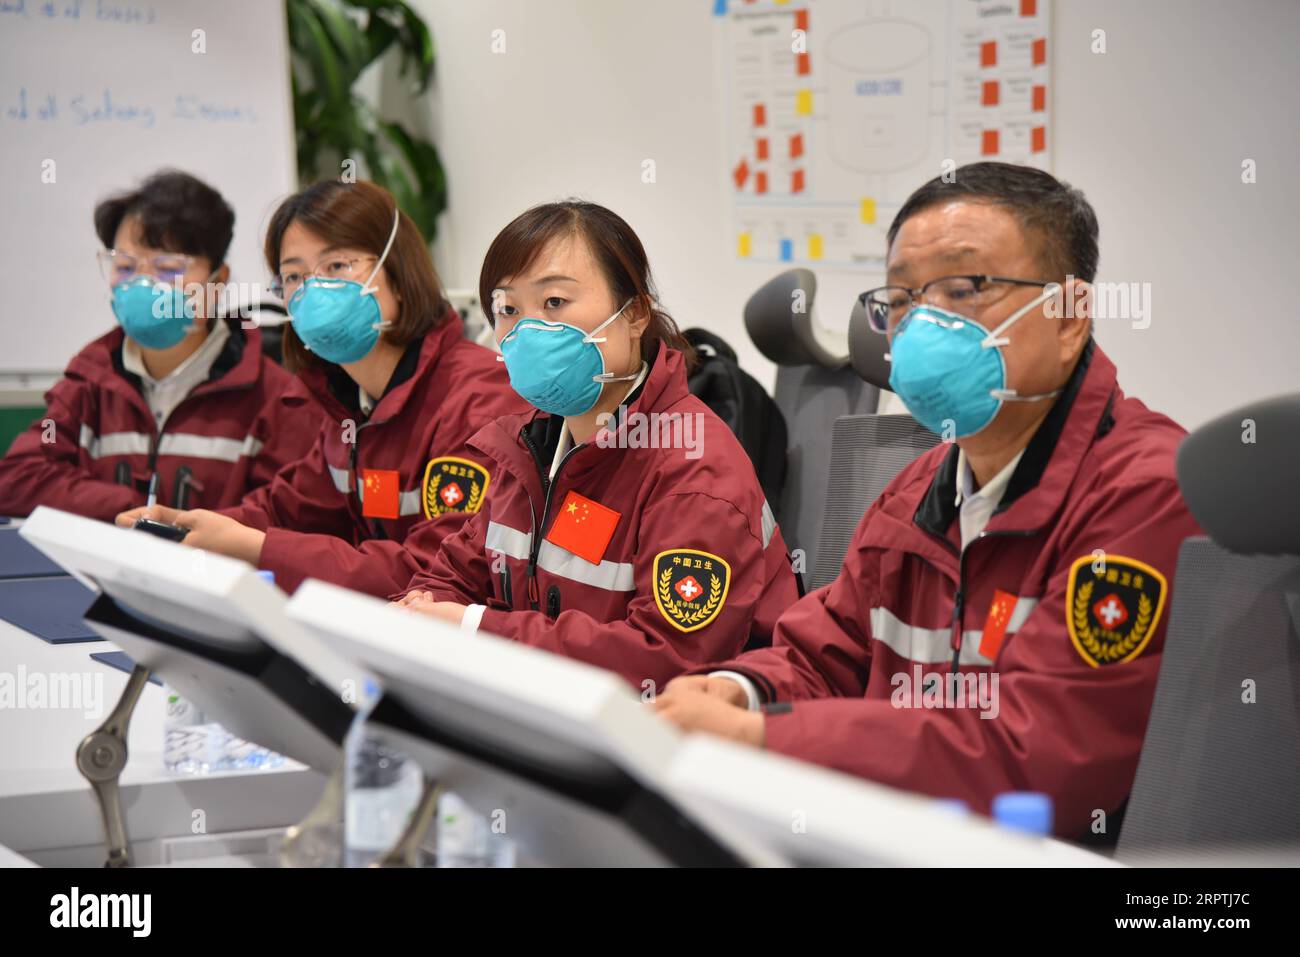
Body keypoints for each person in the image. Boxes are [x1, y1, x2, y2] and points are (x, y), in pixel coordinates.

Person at [654, 162, 1202, 840]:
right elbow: (823, 653)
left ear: (1068, 319)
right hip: (890, 840)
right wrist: (740, 689)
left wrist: (767, 737)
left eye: (965, 287)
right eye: (904, 299)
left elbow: (1038, 759)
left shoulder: (1144, 494)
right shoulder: (916, 488)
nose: (923, 323)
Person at [396, 201, 800, 691]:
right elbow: (456, 572)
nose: (527, 331)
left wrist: (476, 629)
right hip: (546, 718)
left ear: (633, 316)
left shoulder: (695, 472)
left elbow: (666, 663)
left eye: (554, 303)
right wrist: (422, 606)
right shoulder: (530, 444)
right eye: (508, 309)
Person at [116, 180, 525, 596]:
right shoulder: (347, 399)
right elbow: (289, 508)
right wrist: (188, 526)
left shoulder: (478, 399)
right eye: (294, 275)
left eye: (337, 266)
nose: (314, 289)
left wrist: (253, 546)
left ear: (398, 273)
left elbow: (432, 569)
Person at [0, 169, 319, 520]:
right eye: (124, 266)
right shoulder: (91, 380)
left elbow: (288, 513)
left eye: (168, 268)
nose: (143, 285)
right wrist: (134, 513)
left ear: (219, 280)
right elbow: (18, 477)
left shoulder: (272, 395)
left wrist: (180, 532)